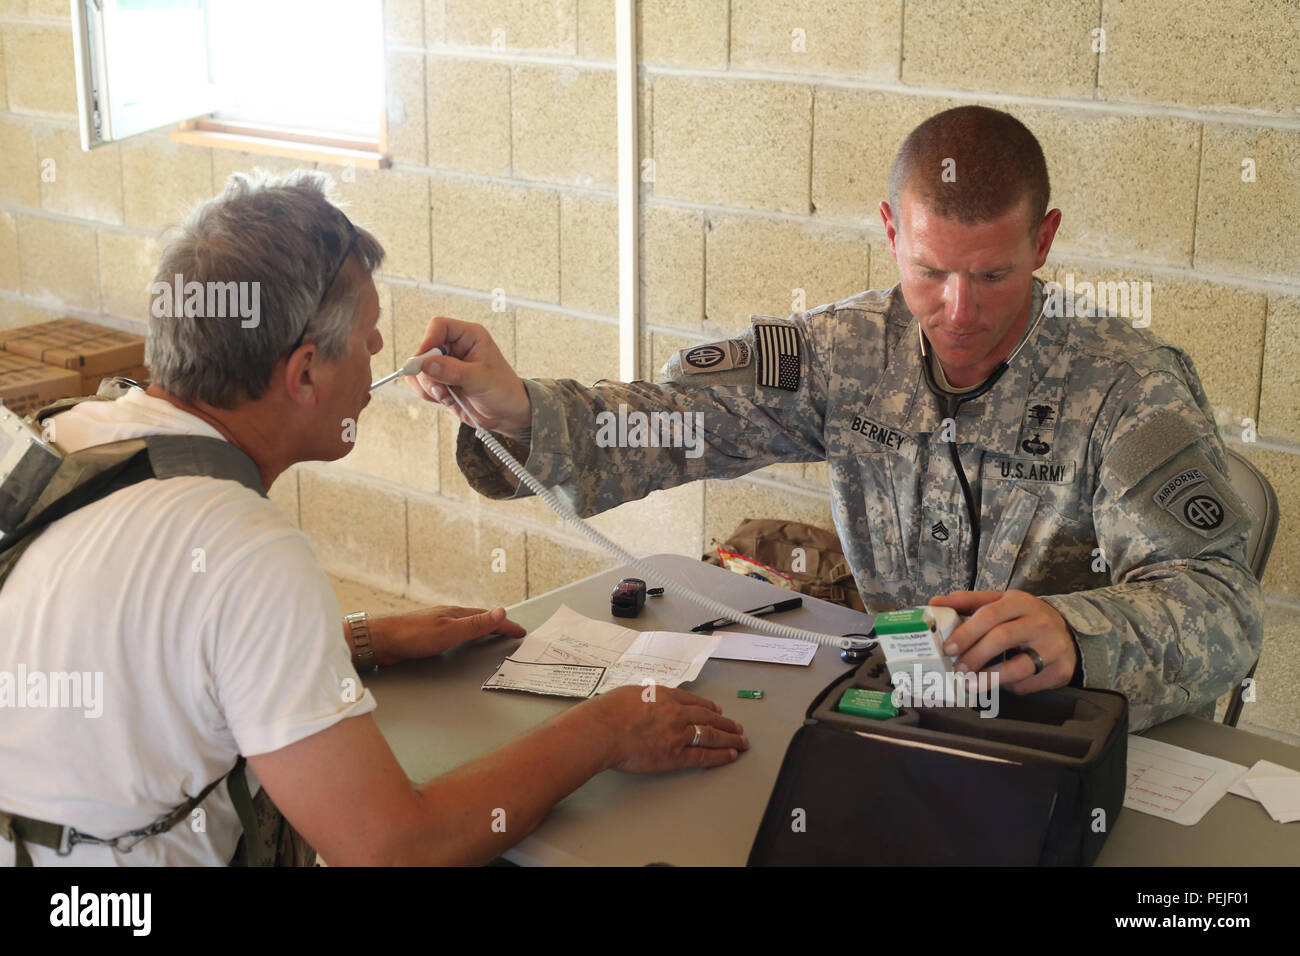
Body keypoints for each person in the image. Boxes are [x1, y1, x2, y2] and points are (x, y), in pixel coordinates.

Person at [410, 106, 1262, 732]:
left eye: (995, 276)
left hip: (1063, 733)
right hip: (897, 715)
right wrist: (519, 412)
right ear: (891, 232)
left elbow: (1222, 607)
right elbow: (681, 419)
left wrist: (1077, 631)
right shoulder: (843, 349)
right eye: (929, 272)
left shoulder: (1129, 386)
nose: (959, 310)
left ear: (1043, 243)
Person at [0, 171, 747, 867]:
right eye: (366, 336)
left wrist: (350, 639)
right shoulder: (241, 551)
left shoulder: (65, 434)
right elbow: (390, 846)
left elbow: (149, 653)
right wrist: (607, 728)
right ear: (303, 374)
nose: (382, 354)